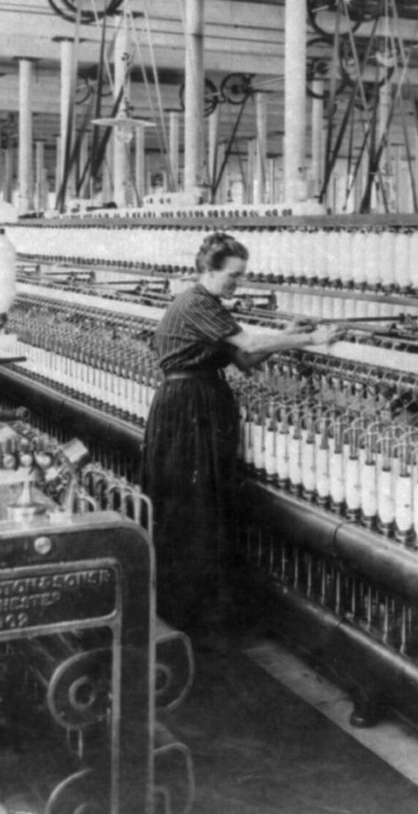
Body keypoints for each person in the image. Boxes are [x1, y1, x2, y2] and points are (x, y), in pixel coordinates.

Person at [141, 231, 342, 643]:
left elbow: (247, 358)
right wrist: (310, 338)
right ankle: (187, 618)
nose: (238, 283)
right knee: (192, 507)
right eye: (233, 275)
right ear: (209, 270)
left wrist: (285, 332)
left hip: (197, 403)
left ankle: (200, 615)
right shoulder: (197, 302)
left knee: (204, 504)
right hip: (189, 408)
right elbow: (249, 342)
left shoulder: (208, 305)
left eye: (242, 275)